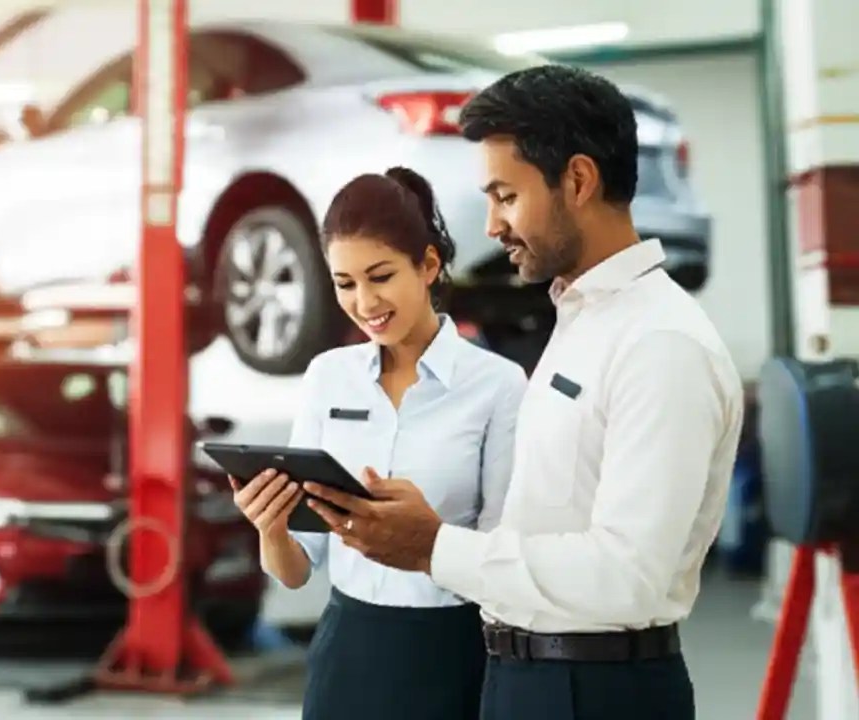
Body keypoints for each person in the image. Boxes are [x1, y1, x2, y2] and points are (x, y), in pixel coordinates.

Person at [302, 66, 745, 720]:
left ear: (577, 180)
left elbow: (628, 575)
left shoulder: (660, 343)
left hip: (594, 692)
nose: (489, 225)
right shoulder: (585, 321)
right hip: (525, 677)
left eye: (505, 196)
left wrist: (432, 546)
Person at [229, 167, 528, 719]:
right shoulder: (327, 377)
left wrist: (426, 539)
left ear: (429, 265)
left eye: (380, 276)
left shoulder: (499, 384)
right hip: (349, 650)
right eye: (345, 283)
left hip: (455, 652)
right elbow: (296, 572)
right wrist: (269, 526)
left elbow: (502, 560)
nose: (364, 302)